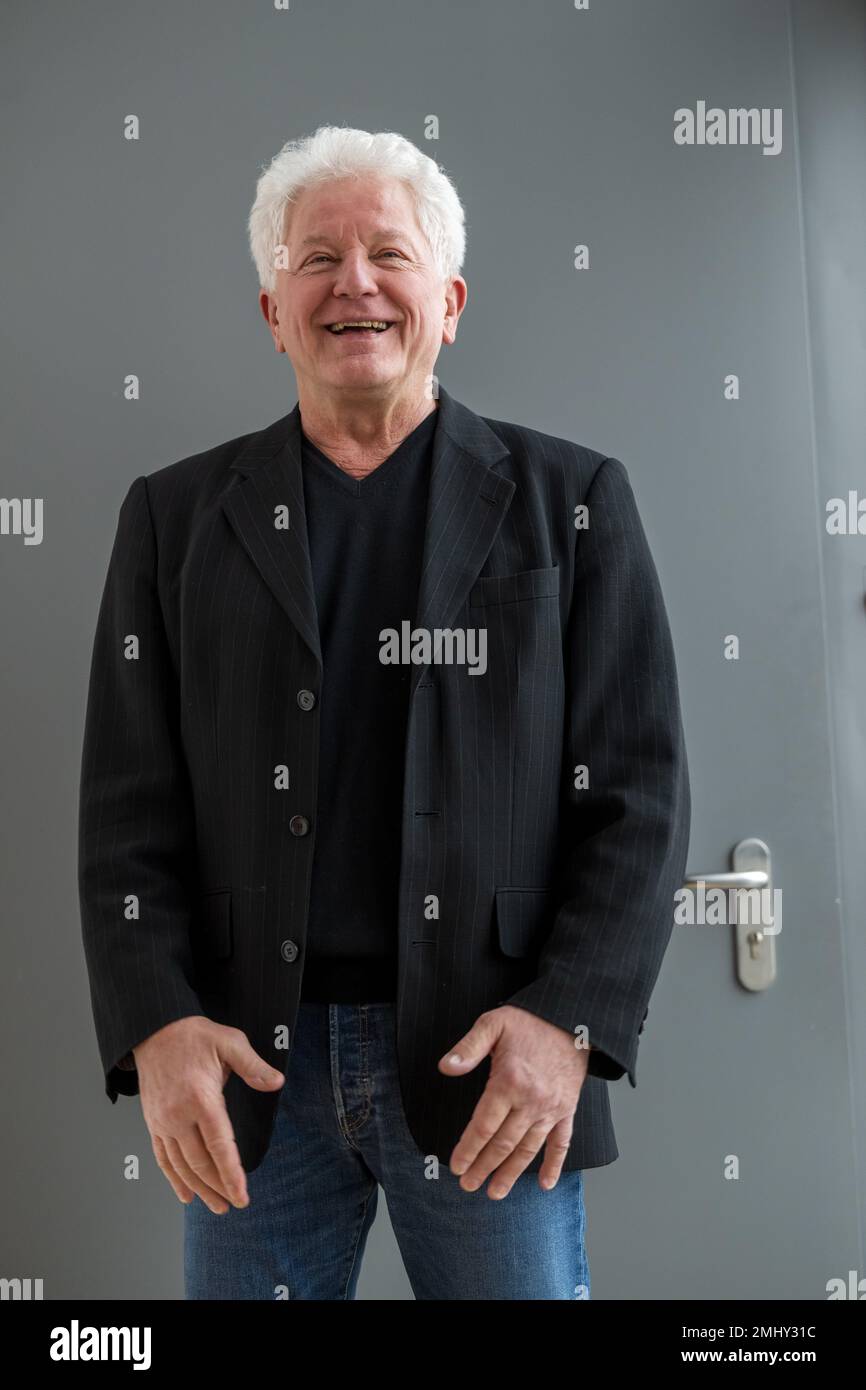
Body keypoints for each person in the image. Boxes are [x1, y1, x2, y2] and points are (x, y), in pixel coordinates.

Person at [78, 125, 691, 1300]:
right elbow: (124, 809)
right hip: (250, 1074)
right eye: (316, 258)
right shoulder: (172, 518)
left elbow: (638, 795)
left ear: (446, 300)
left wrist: (565, 1022)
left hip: (488, 1067)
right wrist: (154, 1026)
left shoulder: (573, 500)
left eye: (386, 254)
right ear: (273, 309)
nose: (353, 282)